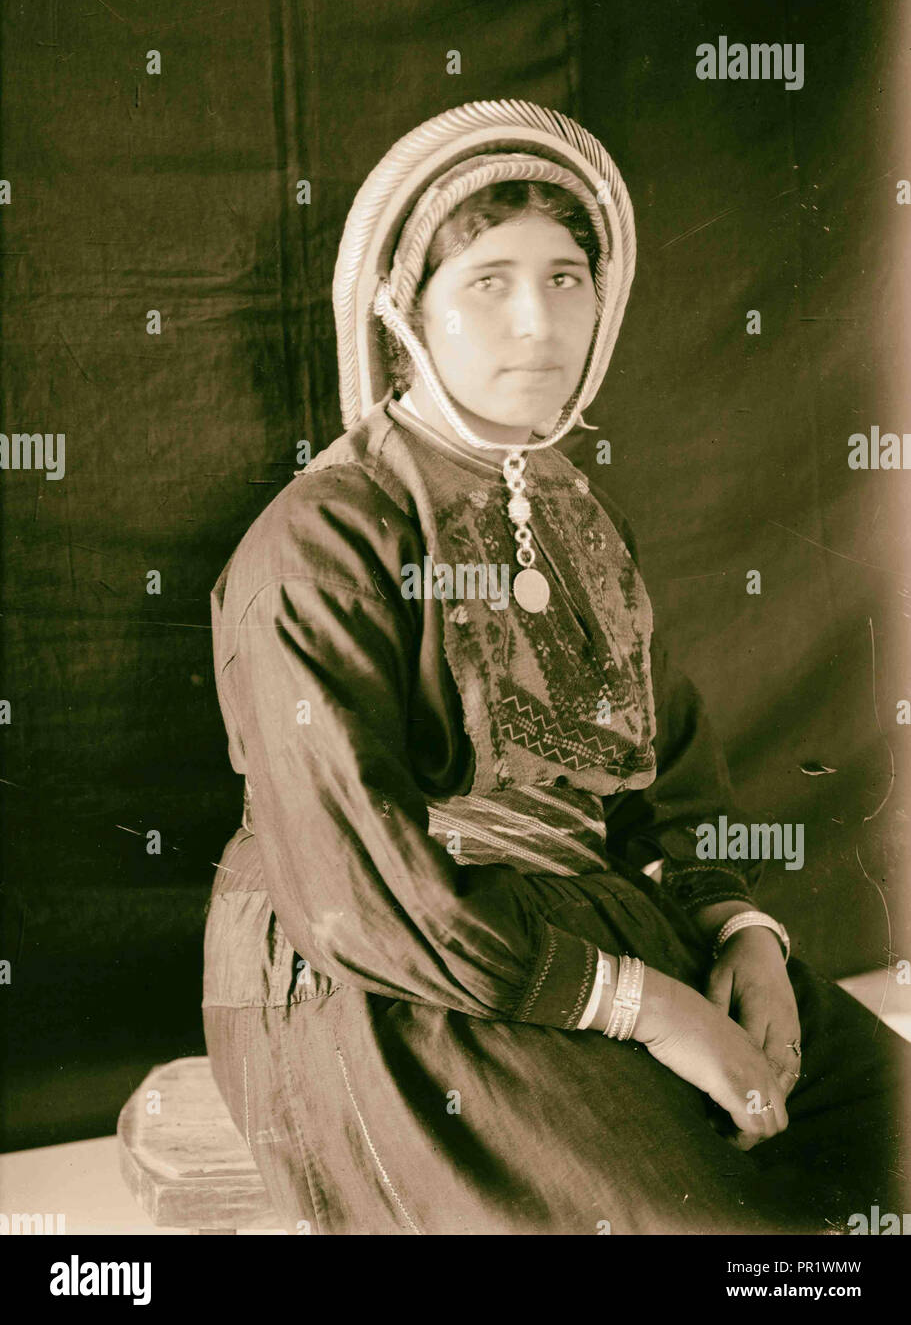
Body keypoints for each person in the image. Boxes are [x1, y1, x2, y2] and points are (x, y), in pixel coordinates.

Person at [201, 100, 909, 1235]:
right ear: (403, 308)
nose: (538, 321)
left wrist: (739, 939)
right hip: (391, 978)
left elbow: (664, 769)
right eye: (487, 279)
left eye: (567, 276)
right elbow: (356, 886)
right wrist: (651, 1010)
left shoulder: (579, 514)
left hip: (598, 924)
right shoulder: (317, 544)